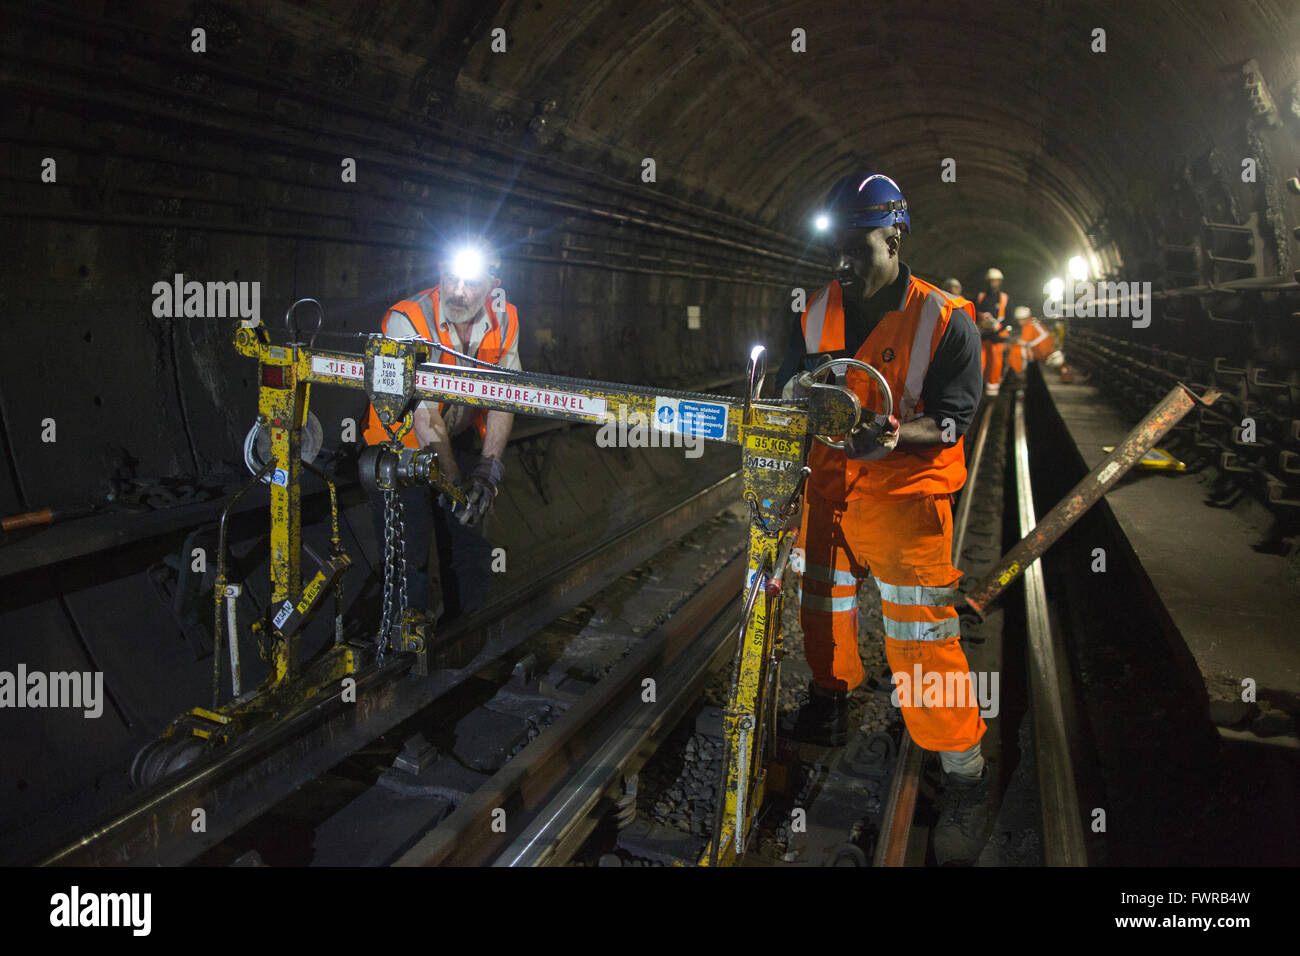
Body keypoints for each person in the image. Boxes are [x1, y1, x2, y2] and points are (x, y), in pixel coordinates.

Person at [778, 172, 992, 864]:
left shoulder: (945, 319)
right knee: (822, 599)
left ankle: (962, 767)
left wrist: (897, 434)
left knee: (920, 631)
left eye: (856, 243)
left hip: (905, 497)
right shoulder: (815, 309)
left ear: (893, 236)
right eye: (834, 243)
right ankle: (830, 695)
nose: (842, 257)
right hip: (829, 485)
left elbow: (955, 422)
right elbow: (796, 383)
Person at [361, 237, 520, 623]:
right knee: (409, 550)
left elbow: (506, 395)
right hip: (401, 448)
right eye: (451, 279)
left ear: (492, 284)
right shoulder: (408, 320)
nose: (458, 292)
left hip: (460, 436)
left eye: (470, 283)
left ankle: (464, 635)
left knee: (469, 543)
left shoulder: (505, 318)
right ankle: (406, 643)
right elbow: (424, 415)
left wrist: (488, 470)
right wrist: (454, 485)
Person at [974, 268, 1013, 398]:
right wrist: (982, 319)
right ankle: (977, 389)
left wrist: (999, 326)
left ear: (1000, 282)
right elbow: (974, 312)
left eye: (996, 281)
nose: (993, 283)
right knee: (979, 364)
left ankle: (992, 392)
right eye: (991, 281)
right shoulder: (980, 297)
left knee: (995, 364)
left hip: (998, 338)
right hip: (983, 337)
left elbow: (1009, 318)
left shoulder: (1005, 298)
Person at [1006, 305, 1064, 376]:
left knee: (1015, 351)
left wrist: (1008, 345)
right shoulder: (1033, 322)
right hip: (1046, 349)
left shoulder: (1028, 326)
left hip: (1041, 351)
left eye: (1019, 319)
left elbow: (1022, 342)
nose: (1019, 322)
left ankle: (1019, 374)